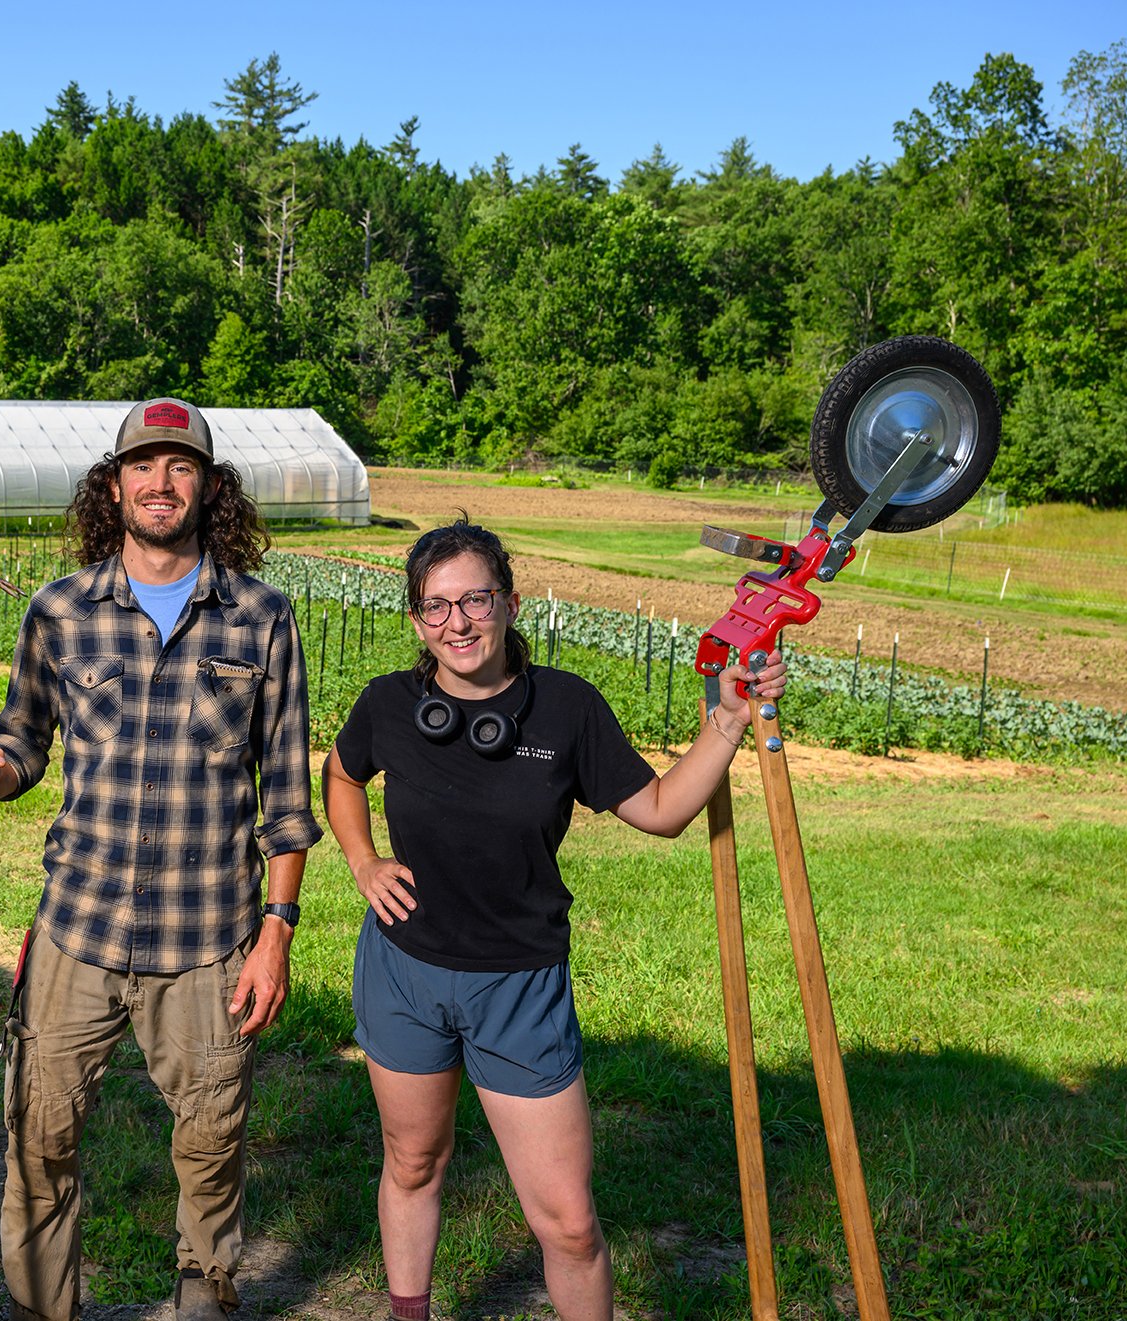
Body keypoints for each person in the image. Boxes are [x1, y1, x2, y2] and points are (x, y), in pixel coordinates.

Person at [321, 518, 786, 1321]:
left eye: (473, 599)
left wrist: (727, 723)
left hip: (518, 986)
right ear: (414, 620)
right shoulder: (388, 703)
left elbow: (663, 810)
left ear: (508, 602)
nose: (456, 622)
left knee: (568, 1223)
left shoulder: (566, 708)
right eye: (434, 607)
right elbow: (341, 772)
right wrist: (362, 860)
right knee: (411, 1161)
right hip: (404, 971)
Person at [0, 397, 321, 1321]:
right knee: (38, 1136)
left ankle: (204, 1295)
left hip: (208, 938)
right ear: (112, 487)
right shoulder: (60, 610)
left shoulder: (261, 618)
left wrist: (276, 931)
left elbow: (285, 795)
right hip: (79, 925)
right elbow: (24, 731)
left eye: (181, 466)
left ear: (208, 486)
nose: (161, 483)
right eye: (142, 467)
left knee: (209, 1143)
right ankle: (41, 1309)